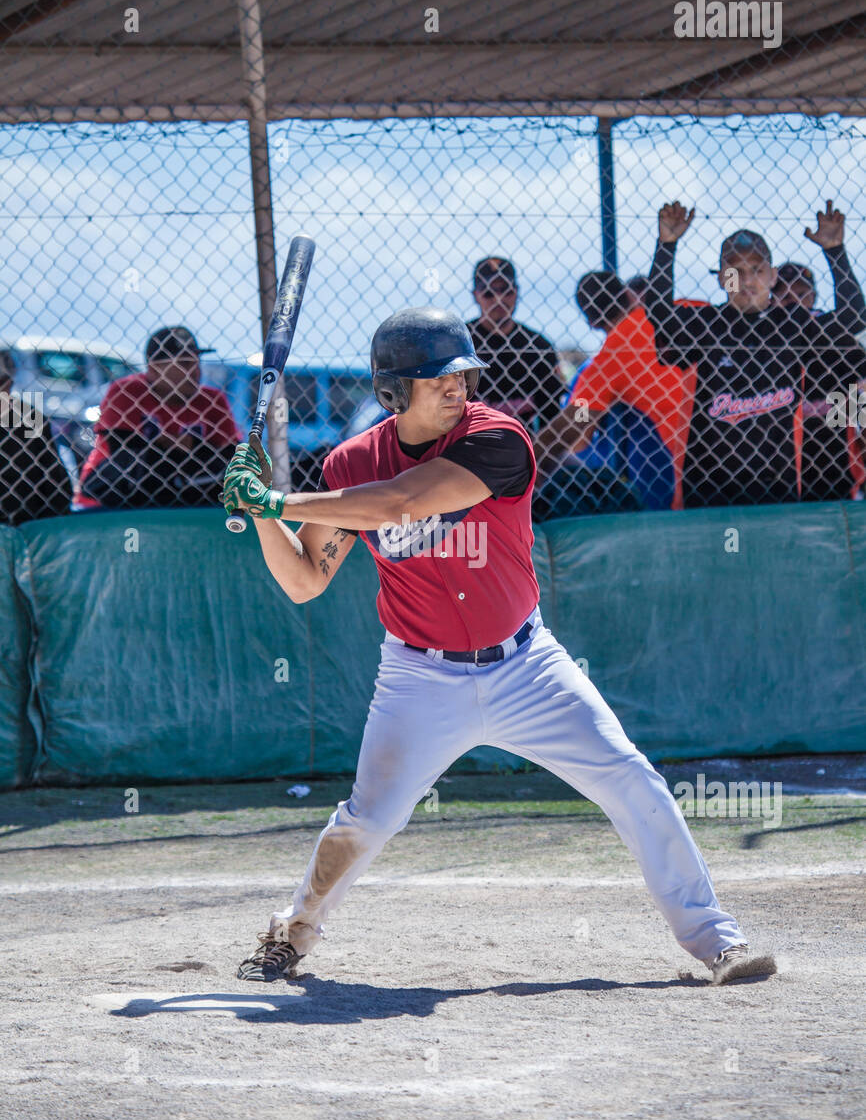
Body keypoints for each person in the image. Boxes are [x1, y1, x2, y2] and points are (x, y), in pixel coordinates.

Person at [222, 305, 776, 989]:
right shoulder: (352, 464)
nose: (458, 386)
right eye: (438, 378)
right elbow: (305, 582)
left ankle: (716, 940)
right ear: (394, 390)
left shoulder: (498, 439)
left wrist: (279, 501)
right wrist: (258, 516)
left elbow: (398, 505)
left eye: (462, 373)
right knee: (366, 822)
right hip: (418, 679)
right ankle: (292, 932)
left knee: (632, 782)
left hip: (526, 666)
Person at [643, 200, 866, 509]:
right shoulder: (707, 323)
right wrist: (666, 246)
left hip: (778, 483)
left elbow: (853, 317)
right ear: (722, 278)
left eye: (757, 270)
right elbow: (658, 313)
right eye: (735, 272)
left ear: (773, 277)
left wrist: (835, 251)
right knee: (719, 553)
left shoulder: (793, 324)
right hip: (709, 486)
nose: (746, 281)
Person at [535, 271, 692, 513]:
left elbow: (571, 434)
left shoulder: (607, 363)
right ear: (630, 295)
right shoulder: (676, 315)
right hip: (718, 448)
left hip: (673, 476)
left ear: (591, 323)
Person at [75, 327, 240, 510]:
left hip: (188, 496)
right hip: (113, 498)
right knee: (151, 462)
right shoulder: (127, 391)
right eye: (184, 363)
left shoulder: (212, 400)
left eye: (196, 362)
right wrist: (167, 446)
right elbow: (120, 448)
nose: (194, 371)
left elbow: (231, 456)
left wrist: (192, 444)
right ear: (154, 369)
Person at [772, 227, 866, 503]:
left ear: (813, 297)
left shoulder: (829, 329)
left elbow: (856, 318)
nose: (794, 302)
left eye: (801, 294)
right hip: (774, 457)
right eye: (785, 296)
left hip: (832, 454)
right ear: (771, 299)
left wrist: (835, 252)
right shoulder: (761, 337)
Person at [467, 257, 564, 431]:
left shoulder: (538, 346)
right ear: (475, 295)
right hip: (468, 441)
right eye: (489, 292)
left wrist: (537, 452)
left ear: (517, 292)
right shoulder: (460, 342)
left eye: (506, 290)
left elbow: (552, 415)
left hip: (524, 443)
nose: (499, 299)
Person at [0, 349, 72, 525]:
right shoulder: (27, 416)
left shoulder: (28, 418)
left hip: (25, 520)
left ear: (8, 384)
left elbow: (57, 488)